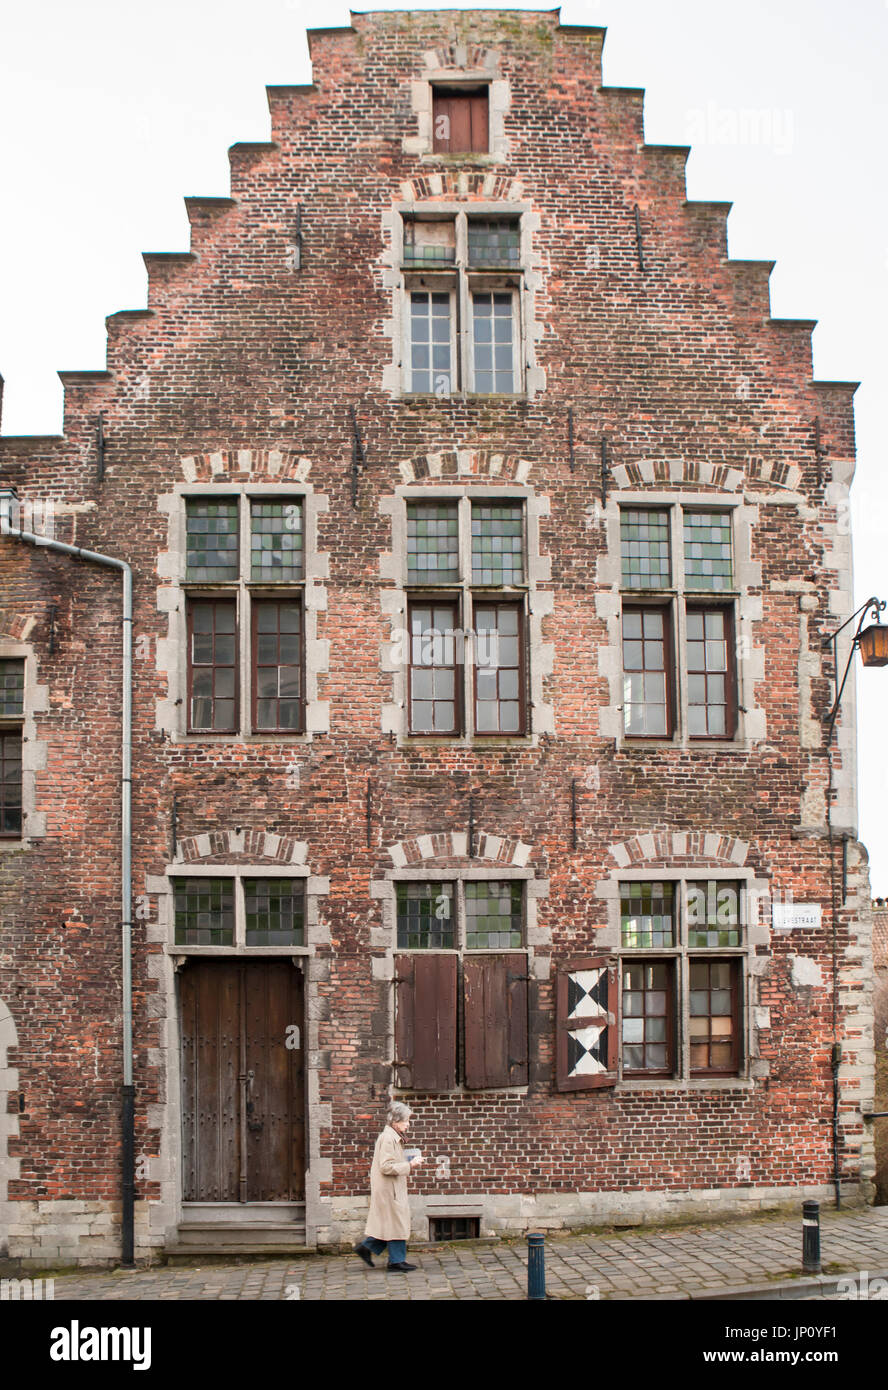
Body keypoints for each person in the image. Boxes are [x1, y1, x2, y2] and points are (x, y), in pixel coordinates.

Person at [354, 1101, 422, 1272]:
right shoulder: (388, 1138)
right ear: (395, 1122)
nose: (408, 1124)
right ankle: (395, 1261)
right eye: (406, 1121)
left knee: (392, 1222)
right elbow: (386, 1166)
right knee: (396, 1222)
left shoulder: (393, 1137)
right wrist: (410, 1165)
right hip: (388, 1189)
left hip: (391, 1187)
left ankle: (369, 1249)